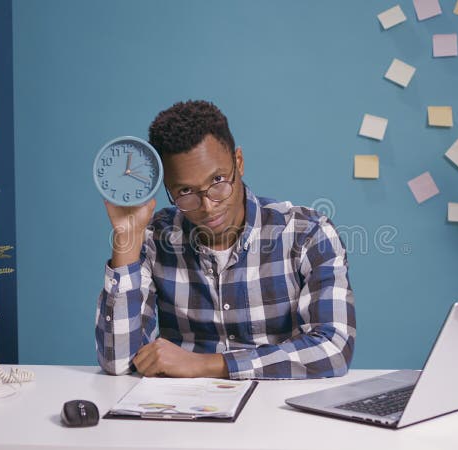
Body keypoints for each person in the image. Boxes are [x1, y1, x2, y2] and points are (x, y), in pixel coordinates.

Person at [96, 100, 356, 379]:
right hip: (181, 412)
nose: (208, 206)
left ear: (239, 162)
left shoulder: (308, 233)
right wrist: (127, 237)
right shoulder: (152, 238)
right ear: (168, 188)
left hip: (277, 410)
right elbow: (118, 363)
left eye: (218, 180)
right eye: (185, 191)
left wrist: (207, 364)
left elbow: (333, 348)